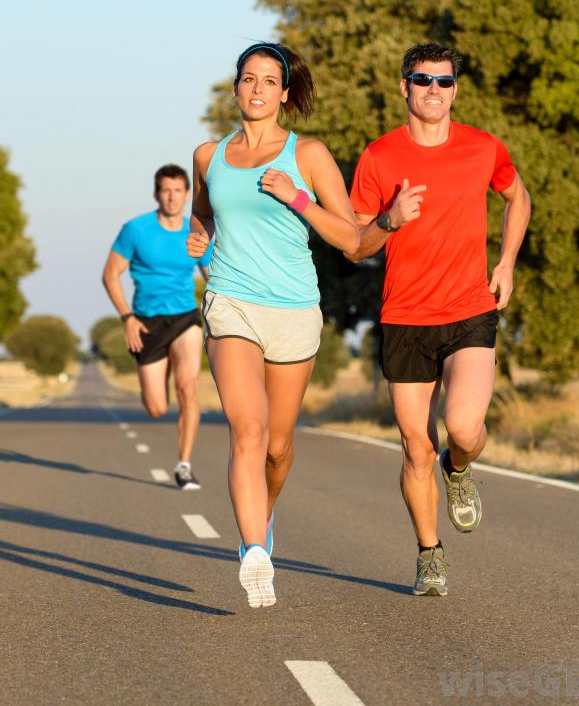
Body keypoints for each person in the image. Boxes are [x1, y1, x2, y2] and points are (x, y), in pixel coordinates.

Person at [347, 42, 531, 596]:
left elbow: (517, 198)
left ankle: (459, 467)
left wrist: (506, 263)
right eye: (423, 80)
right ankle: (429, 552)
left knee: (465, 428)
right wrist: (390, 218)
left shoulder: (482, 148)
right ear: (404, 86)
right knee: (414, 446)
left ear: (455, 89)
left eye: (444, 82)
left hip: (470, 307)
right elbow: (355, 243)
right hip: (405, 316)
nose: (434, 90)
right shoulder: (378, 157)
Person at [187, 41, 359, 608]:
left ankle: (266, 515)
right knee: (248, 431)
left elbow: (353, 237)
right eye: (248, 79)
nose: (257, 89)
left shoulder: (307, 154)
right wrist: (202, 240)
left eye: (268, 81)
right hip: (231, 301)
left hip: (293, 308)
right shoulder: (208, 156)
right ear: (235, 88)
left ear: (284, 93)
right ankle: (254, 547)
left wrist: (299, 198)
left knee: (278, 449)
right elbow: (204, 213)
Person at [102, 164, 212, 490]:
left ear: (187, 194)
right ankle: (154, 376)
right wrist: (126, 318)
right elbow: (110, 274)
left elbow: (211, 277)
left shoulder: (195, 232)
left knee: (188, 388)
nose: (172, 197)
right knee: (156, 407)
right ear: (156, 194)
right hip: (145, 321)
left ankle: (184, 465)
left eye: (179, 190)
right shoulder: (136, 230)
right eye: (166, 190)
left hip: (184, 317)